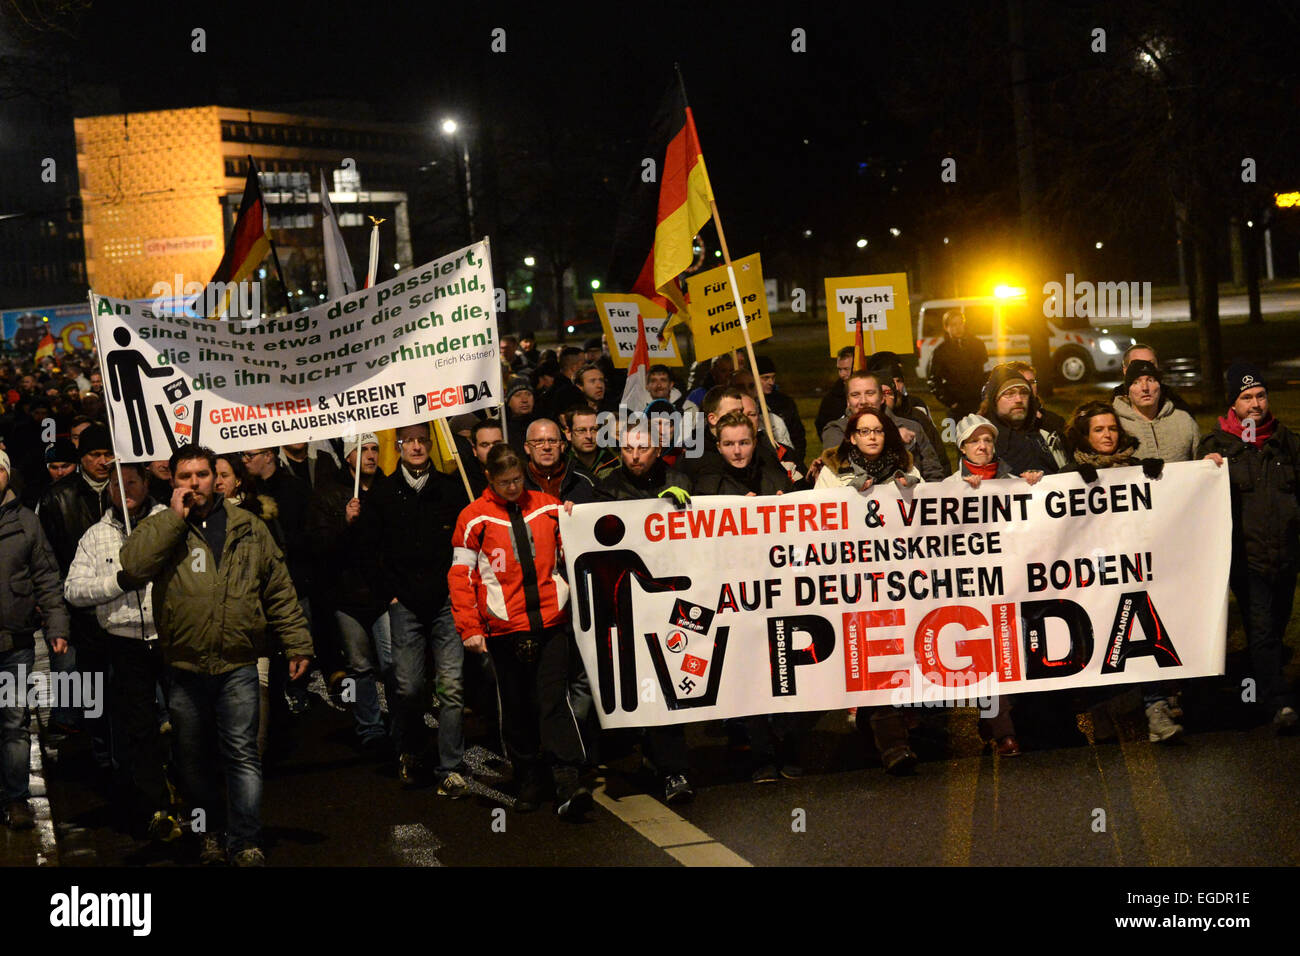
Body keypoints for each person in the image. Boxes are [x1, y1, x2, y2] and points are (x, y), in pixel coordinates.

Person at [119, 445, 313, 866]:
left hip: (238, 663)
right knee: (192, 761)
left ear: (216, 478)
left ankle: (245, 840)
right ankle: (210, 834)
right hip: (185, 666)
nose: (194, 483)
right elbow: (132, 567)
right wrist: (173, 517)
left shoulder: (248, 526)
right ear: (172, 481)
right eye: (184, 476)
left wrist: (297, 641)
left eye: (201, 475)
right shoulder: (164, 525)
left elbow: (278, 587)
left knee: (242, 755)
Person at [449, 444, 589, 816]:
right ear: (489, 479)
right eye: (505, 482)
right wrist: (469, 628)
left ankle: (568, 783)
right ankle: (528, 777)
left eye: (517, 480)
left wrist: (577, 519)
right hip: (503, 631)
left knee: (552, 703)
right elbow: (461, 577)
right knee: (515, 708)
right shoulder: (472, 518)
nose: (513, 488)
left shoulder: (547, 506)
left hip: (551, 624)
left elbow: (576, 547)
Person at [64, 461, 176, 841]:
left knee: (183, 723)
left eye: (131, 481)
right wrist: (117, 582)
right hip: (124, 642)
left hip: (171, 638)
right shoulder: (96, 535)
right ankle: (156, 807)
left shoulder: (169, 521)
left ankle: (193, 797)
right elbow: (74, 590)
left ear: (146, 482)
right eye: (115, 483)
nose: (123, 489)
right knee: (138, 729)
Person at [361, 421, 472, 794]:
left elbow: (465, 544)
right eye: (409, 441)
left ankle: (450, 767)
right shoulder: (384, 493)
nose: (417, 447)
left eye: (423, 440)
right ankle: (410, 749)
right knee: (408, 688)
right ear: (400, 446)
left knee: (452, 687)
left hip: (446, 600)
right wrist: (389, 594)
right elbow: (370, 550)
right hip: (404, 602)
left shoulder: (450, 490)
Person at [1063, 401, 1178, 744]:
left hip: (1135, 572)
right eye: (1099, 430)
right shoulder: (1068, 475)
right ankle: (1103, 710)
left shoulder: (1138, 468)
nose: (1108, 435)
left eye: (1112, 428)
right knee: (1099, 637)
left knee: (1148, 633)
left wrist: (1163, 478)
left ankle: (1156, 707)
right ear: (1085, 436)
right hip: (1093, 578)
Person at [593, 425, 697, 803]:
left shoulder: (680, 479)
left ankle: (673, 767)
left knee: (669, 685)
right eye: (628, 448)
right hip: (628, 603)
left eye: (644, 448)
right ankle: (661, 760)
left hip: (673, 600)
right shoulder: (606, 486)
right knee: (645, 688)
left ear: (658, 450)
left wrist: (687, 507)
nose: (635, 455)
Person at [1198, 363, 1299, 733]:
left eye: (1260, 395)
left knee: (1276, 625)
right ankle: (1279, 704)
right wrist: (1204, 471)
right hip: (1246, 560)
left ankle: (1254, 686)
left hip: (1286, 557)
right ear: (1233, 404)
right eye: (1246, 398)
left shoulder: (1287, 442)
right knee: (1261, 630)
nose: (1255, 404)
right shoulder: (1215, 448)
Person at [942, 414, 1043, 756]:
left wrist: (1034, 487)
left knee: (1015, 653)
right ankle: (1003, 731)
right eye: (975, 441)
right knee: (984, 657)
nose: (983, 446)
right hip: (971, 589)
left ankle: (1002, 723)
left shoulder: (1014, 482)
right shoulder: (944, 488)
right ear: (963, 447)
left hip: (1012, 585)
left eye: (988, 441)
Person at [306, 433, 391, 754]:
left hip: (382, 593)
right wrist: (345, 522)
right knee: (358, 668)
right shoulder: (329, 495)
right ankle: (369, 726)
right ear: (349, 456)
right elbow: (320, 545)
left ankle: (400, 723)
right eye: (363, 449)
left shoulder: (387, 490)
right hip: (346, 596)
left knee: (393, 663)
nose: (370, 455)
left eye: (374, 449)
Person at [0, 448, 70, 830]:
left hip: (14, 643)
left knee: (13, 723)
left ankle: (15, 798)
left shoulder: (26, 522)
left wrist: (57, 627)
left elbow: (46, 576)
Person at [38, 422, 114, 742]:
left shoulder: (127, 489)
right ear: (82, 457)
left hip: (120, 600)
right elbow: (48, 558)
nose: (103, 461)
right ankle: (87, 740)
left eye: (108, 454)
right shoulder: (58, 498)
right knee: (83, 678)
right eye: (95, 454)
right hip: (77, 604)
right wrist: (56, 609)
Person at [821, 372, 945, 481]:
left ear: (881, 398)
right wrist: (893, 437)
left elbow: (933, 473)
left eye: (870, 393)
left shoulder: (912, 427)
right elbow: (839, 465)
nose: (863, 401)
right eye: (855, 395)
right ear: (848, 402)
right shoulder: (835, 430)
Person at [868, 351, 949, 475]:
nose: (896, 387)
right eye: (890, 383)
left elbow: (938, 457)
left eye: (899, 381)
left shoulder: (917, 414)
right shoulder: (863, 420)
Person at [978, 366, 1066, 475]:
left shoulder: (1047, 432)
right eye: (1010, 393)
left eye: (1024, 393)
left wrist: (1075, 470)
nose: (1019, 400)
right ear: (994, 401)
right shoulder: (979, 442)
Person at [816, 408, 922, 492]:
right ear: (853, 438)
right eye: (864, 431)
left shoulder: (905, 467)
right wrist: (850, 492)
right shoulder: (833, 471)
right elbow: (821, 508)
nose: (872, 436)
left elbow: (925, 500)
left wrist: (911, 490)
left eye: (878, 431)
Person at [1113, 360, 1199, 462]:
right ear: (1128, 392)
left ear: (1160, 387)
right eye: (1136, 382)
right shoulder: (1115, 424)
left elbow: (1201, 460)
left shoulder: (1184, 420)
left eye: (1150, 380)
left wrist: (1210, 459)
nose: (1145, 388)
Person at [695, 409, 788, 496]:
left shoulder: (779, 482)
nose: (737, 451)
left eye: (743, 443)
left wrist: (784, 504)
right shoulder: (707, 488)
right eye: (728, 444)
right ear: (719, 447)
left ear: (754, 443)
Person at [928, 309, 988, 420]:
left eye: (961, 323)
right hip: (957, 408)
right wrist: (950, 402)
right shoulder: (941, 351)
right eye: (953, 324)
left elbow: (986, 372)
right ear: (946, 328)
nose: (958, 327)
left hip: (978, 403)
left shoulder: (977, 345)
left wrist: (986, 398)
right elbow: (933, 380)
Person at [522, 418, 595, 503]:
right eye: (539, 442)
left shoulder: (584, 480)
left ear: (562, 447)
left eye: (552, 441)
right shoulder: (517, 483)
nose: (547, 447)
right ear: (527, 448)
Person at [1113, 344, 1192, 412]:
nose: (1145, 368)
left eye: (1150, 364)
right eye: (1137, 364)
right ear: (1125, 370)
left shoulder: (1175, 403)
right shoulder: (1114, 405)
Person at [564, 405, 619, 480]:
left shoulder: (616, 463)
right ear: (568, 433)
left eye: (594, 430)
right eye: (581, 430)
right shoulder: (560, 466)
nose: (589, 436)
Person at [814, 346, 857, 439]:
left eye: (846, 369)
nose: (842, 374)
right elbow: (821, 426)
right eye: (839, 369)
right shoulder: (831, 399)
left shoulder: (875, 394)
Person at [504, 378, 537, 454]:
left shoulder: (542, 425)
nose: (525, 400)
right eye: (518, 395)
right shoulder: (502, 429)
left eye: (528, 394)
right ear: (508, 401)